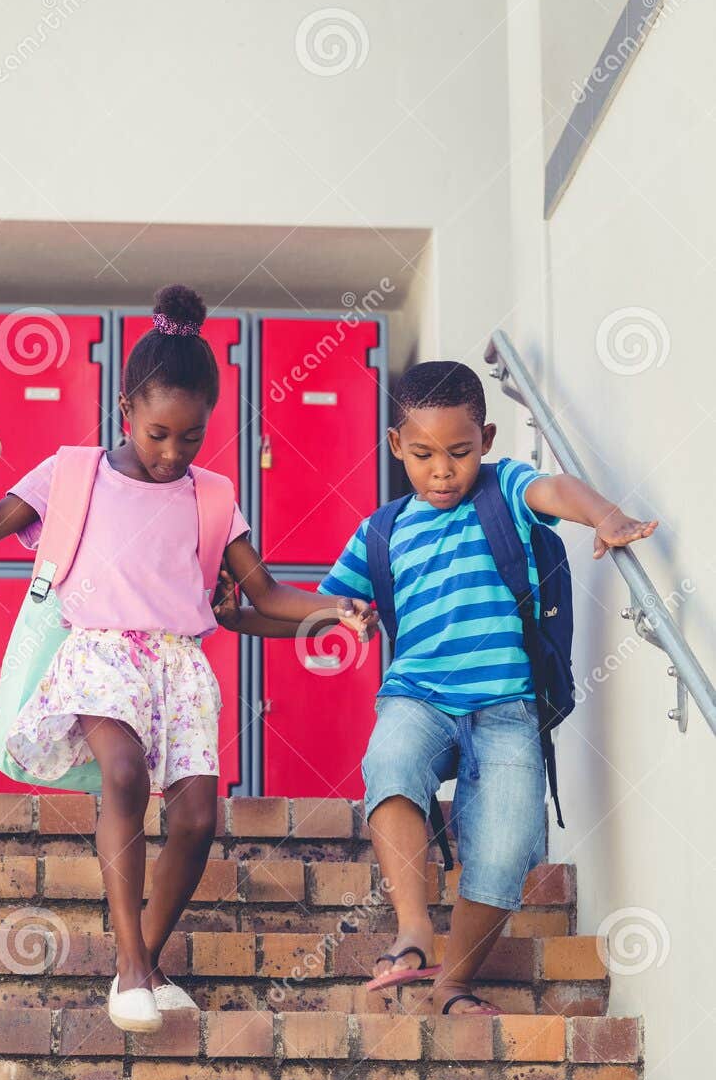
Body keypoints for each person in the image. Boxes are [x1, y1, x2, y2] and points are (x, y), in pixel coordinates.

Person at [0, 283, 364, 1030]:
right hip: (98, 653)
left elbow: (261, 592)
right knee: (125, 776)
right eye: (158, 433)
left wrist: (336, 608)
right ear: (127, 407)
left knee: (198, 818)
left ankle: (145, 961)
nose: (172, 453)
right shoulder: (72, 473)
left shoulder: (213, 496)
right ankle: (130, 965)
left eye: (190, 437)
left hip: (179, 666)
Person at [218, 359, 656, 1013]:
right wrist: (240, 619)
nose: (442, 469)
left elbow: (558, 490)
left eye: (459, 451)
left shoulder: (503, 489)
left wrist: (605, 516)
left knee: (507, 847)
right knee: (390, 762)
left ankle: (453, 983)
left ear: (486, 437)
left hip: (506, 710)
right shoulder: (382, 532)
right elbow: (320, 613)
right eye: (422, 454)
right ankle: (413, 930)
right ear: (396, 446)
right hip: (417, 697)